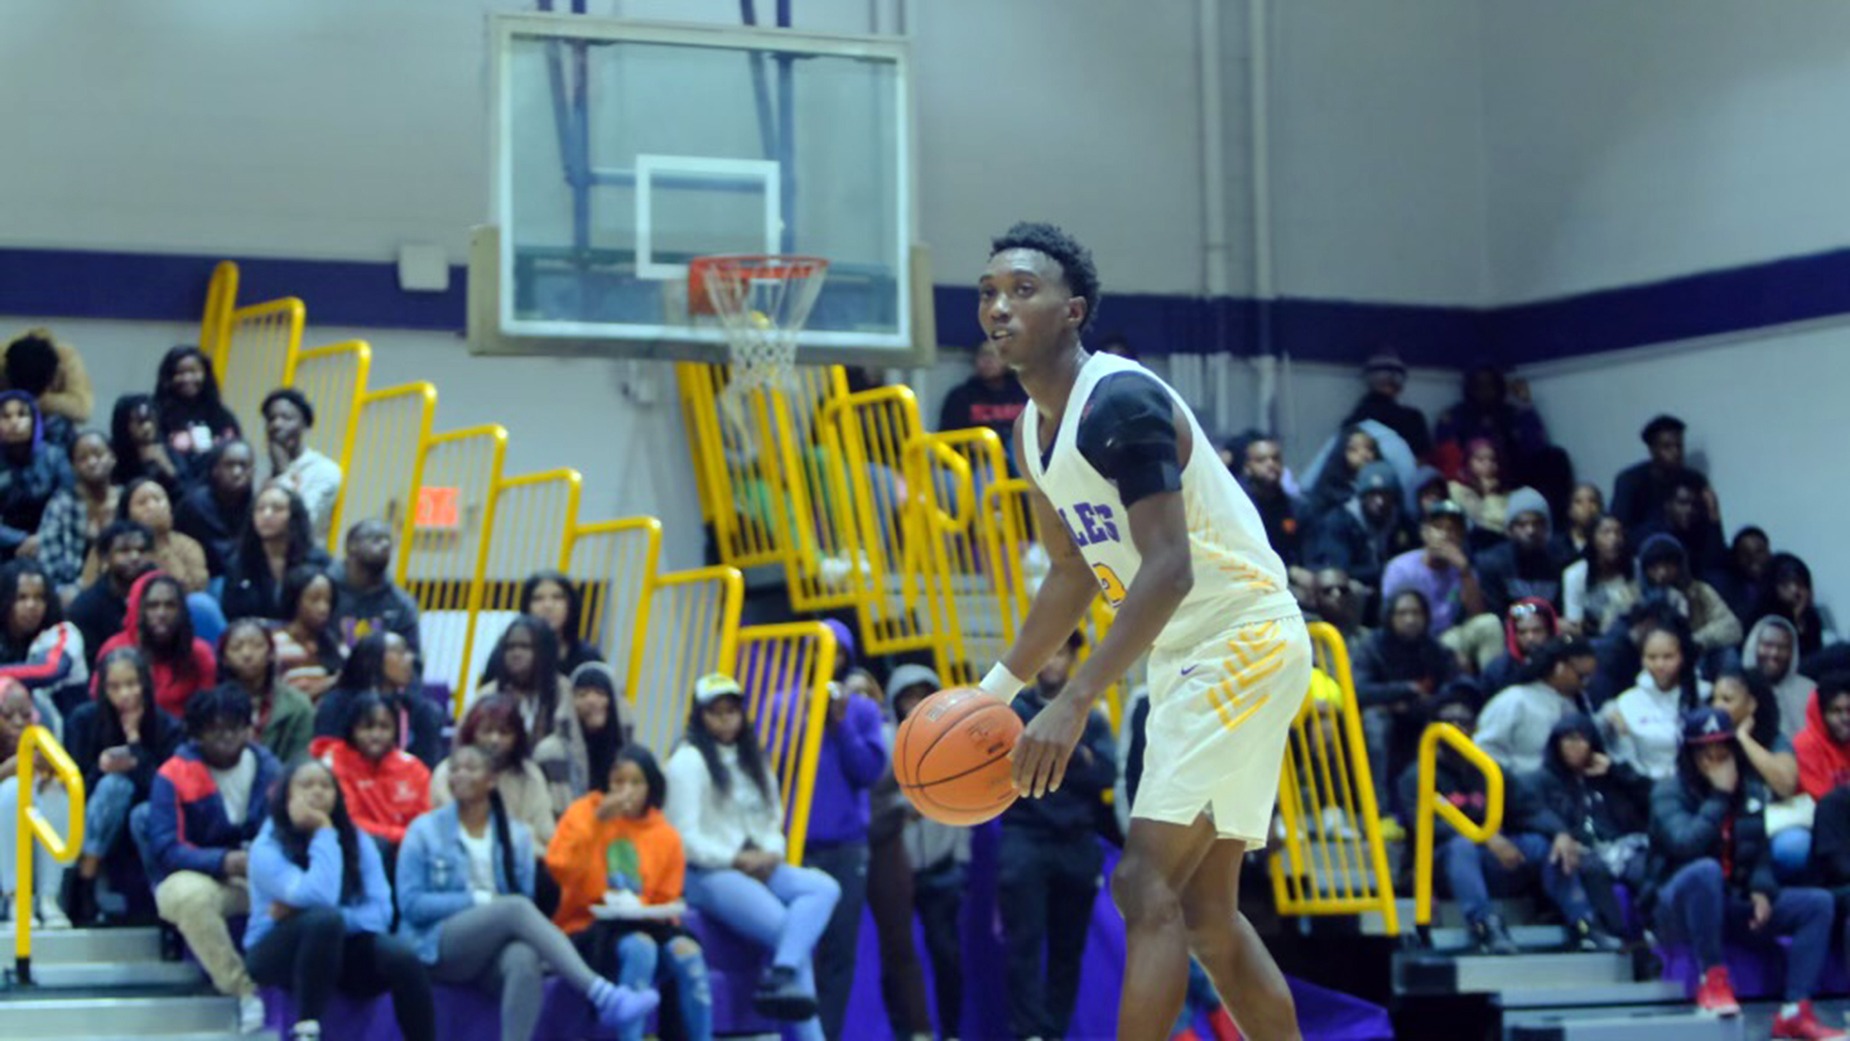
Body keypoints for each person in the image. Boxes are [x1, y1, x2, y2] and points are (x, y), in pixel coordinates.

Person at [975, 222, 1312, 1040]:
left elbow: (1170, 568)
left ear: (1073, 311)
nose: (998, 306)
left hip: (1242, 637)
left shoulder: (1122, 400)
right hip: (1189, 651)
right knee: (1204, 915)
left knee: (1141, 882)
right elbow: (1073, 570)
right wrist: (992, 693)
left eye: (1023, 290)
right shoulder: (1030, 429)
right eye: (988, 292)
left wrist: (1076, 697)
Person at [397, 744, 659, 1041]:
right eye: (454, 768)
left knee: (523, 957)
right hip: (433, 943)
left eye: (471, 768)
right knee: (515, 908)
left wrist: (494, 909)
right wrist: (476, 900)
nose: (460, 775)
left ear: (491, 779)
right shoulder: (425, 830)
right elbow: (411, 904)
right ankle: (604, 994)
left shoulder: (516, 835)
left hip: (488, 949)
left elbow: (520, 904)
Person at [1648, 707, 1845, 1037]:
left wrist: (1761, 888)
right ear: (1690, 754)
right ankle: (1711, 979)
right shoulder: (1668, 791)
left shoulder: (1750, 791)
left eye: (1722, 750)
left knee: (1817, 903)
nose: (1715, 758)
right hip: (1676, 905)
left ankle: (1795, 1010)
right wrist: (1718, 795)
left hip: (1728, 902)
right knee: (1706, 870)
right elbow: (1685, 845)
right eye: (1705, 751)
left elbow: (1760, 852)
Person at [663, 673, 840, 1035]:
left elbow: (773, 820)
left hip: (757, 864)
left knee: (824, 888)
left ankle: (782, 973)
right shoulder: (687, 761)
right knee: (786, 930)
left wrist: (770, 854)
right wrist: (734, 859)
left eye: (732, 710)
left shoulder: (752, 757)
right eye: (715, 711)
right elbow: (683, 837)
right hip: (707, 872)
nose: (725, 719)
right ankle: (803, 1016)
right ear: (700, 716)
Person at [243, 758, 435, 1041]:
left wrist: (317, 914)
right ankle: (306, 1031)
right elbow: (319, 895)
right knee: (323, 920)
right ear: (287, 795)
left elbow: (381, 912)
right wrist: (323, 830)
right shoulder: (267, 845)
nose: (317, 792)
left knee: (403, 957)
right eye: (306, 785)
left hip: (340, 945)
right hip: (275, 952)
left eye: (326, 786)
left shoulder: (357, 839)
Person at [998, 630, 1118, 1041]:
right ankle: (1027, 1033)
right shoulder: (1013, 711)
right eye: (1046, 651)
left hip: (1076, 843)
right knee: (1023, 945)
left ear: (1072, 658)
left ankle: (1054, 1033)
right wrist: (1073, 760)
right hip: (1024, 837)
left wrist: (1048, 758)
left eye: (1061, 653)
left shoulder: (1091, 716)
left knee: (1069, 951)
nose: (1052, 661)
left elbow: (1106, 773)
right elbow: (1005, 768)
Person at [141, 686, 282, 1034]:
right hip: (195, 874)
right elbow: (165, 848)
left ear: (249, 729)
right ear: (198, 732)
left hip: (257, 874)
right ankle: (244, 991)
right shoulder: (173, 773)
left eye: (234, 727)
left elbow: (287, 834)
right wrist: (223, 861)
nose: (226, 737)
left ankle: (293, 998)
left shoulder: (271, 769)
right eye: (214, 729)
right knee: (190, 898)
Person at [547, 744, 711, 1041]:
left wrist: (642, 906)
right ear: (606, 782)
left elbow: (667, 897)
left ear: (651, 787)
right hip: (588, 924)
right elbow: (560, 869)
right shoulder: (583, 813)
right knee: (640, 947)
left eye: (636, 783)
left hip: (646, 922)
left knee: (690, 955)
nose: (626, 792)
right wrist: (598, 822)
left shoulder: (666, 835)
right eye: (619, 782)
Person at [793, 622, 886, 1041]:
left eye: (836, 652)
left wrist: (841, 723)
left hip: (847, 848)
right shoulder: (784, 704)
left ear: (846, 658)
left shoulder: (863, 710)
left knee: (839, 954)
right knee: (795, 951)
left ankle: (826, 1035)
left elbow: (868, 771)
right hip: (794, 847)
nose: (827, 660)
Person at [64, 647, 184, 923]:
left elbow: (167, 788)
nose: (125, 694)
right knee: (114, 786)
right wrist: (101, 769)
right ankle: (85, 879)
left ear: (145, 683)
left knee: (135, 804)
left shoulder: (167, 726)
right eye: (115, 687)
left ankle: (160, 902)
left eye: (131, 684)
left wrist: (134, 745)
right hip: (93, 816)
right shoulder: (83, 720)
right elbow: (75, 786)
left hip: (144, 817)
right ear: (103, 689)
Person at [883, 664, 967, 1041]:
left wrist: (961, 858)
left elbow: (969, 798)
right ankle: (906, 1030)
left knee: (946, 952)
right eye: (907, 696)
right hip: (895, 864)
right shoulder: (884, 737)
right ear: (895, 701)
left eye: (922, 694)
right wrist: (905, 805)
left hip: (941, 865)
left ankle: (950, 1031)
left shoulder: (951, 737)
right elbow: (872, 792)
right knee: (896, 956)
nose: (914, 703)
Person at [1525, 714, 1652, 942]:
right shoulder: (1540, 780)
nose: (1575, 746)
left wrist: (1616, 772)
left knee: (1645, 868)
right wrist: (1559, 833)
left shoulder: (1609, 776)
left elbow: (1652, 797)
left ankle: (1662, 935)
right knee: (1591, 867)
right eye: (1568, 739)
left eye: (1582, 739)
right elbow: (1531, 812)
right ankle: (1624, 939)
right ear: (1557, 743)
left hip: (1621, 847)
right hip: (1579, 850)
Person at [1351, 590, 1455, 817]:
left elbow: (1450, 689)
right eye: (1403, 613)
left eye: (1416, 613)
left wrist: (1415, 704)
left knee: (1453, 719)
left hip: (1419, 713)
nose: (1410, 619)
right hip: (1379, 716)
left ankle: (1444, 807)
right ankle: (1377, 810)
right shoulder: (1372, 646)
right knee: (1375, 722)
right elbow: (1359, 691)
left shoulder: (1433, 648)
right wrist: (1406, 689)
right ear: (1390, 616)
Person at [429, 694, 556, 846]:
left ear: (517, 738)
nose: (494, 740)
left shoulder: (530, 775)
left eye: (504, 733)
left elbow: (546, 837)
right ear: (472, 734)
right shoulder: (449, 772)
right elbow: (444, 830)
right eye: (487, 731)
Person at [311, 692, 430, 853]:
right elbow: (350, 821)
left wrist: (411, 839)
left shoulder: (413, 767)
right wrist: (401, 836)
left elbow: (426, 818)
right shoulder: (334, 763)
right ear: (352, 729)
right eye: (367, 727)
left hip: (409, 847)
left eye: (384, 727)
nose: (376, 735)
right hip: (356, 848)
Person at [94, 571, 216, 718]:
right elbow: (101, 706)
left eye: (170, 605)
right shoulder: (115, 649)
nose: (161, 613)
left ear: (182, 611)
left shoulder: (200, 653)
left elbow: (208, 711)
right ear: (139, 610)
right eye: (152, 606)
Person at [313, 631, 444, 768]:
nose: (411, 658)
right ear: (373, 658)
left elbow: (427, 769)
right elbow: (325, 758)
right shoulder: (336, 705)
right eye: (401, 652)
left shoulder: (420, 711)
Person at [0, 678, 71, 927]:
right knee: (13, 789)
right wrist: (7, 770)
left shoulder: (44, 740)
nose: (18, 723)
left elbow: (72, 781)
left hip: (33, 820)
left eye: (25, 714)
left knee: (55, 793)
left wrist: (51, 773)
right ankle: (16, 900)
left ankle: (48, 899)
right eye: (7, 715)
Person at [1475, 636, 1597, 774]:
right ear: (1559, 668)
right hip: (1517, 787)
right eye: (1582, 676)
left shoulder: (1579, 704)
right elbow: (1484, 748)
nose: (1585, 684)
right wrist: (1513, 781)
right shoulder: (1514, 700)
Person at [1600, 625, 1702, 781]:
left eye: (1668, 657)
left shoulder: (1702, 695)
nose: (1659, 665)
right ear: (1642, 659)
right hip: (1642, 784)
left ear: (1681, 657)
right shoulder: (1626, 702)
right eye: (1652, 657)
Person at [221, 485, 331, 623]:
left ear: (294, 515)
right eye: (260, 509)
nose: (266, 515)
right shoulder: (239, 562)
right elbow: (231, 614)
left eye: (277, 509)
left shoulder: (317, 561)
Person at [535, 662, 630, 818]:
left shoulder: (629, 756)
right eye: (582, 694)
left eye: (600, 693)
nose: (591, 701)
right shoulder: (550, 752)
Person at [1305, 460, 1417, 591]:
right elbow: (1340, 570)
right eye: (1373, 494)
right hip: (1352, 590)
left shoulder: (1399, 520)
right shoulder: (1340, 520)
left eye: (1385, 495)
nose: (1379, 501)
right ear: (1362, 496)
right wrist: (1384, 570)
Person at [36, 430, 120, 602]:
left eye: (98, 454)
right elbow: (47, 563)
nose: (92, 462)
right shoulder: (61, 504)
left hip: (125, 581)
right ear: (73, 466)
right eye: (83, 458)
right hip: (74, 588)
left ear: (112, 458)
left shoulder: (127, 499)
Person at [217, 618, 316, 764]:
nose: (247, 654)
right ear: (224, 659)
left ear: (271, 653)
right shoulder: (213, 706)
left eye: (257, 646)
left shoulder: (298, 705)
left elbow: (299, 761)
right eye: (236, 647)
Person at [0, 558, 90, 716]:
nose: (31, 606)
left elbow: (48, 669)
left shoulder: (64, 632)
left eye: (39, 598)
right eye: (22, 598)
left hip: (66, 727)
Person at [1380, 499, 1484, 636]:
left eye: (1453, 529)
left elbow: (1478, 617)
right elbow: (1391, 617)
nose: (1445, 535)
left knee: (1489, 624)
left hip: (1449, 639)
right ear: (1425, 533)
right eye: (1438, 527)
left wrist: (1464, 571)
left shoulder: (1465, 570)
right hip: (1411, 638)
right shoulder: (1400, 568)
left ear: (1461, 537)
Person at [65, 519, 153, 670]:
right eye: (124, 551)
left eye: (141, 550)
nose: (135, 557)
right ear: (105, 557)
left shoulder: (161, 593)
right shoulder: (85, 608)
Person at [477, 615, 579, 745]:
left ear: (544, 651)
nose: (516, 653)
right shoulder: (489, 692)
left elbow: (572, 745)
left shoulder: (561, 688)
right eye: (510, 647)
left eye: (525, 647)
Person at [1610, 414, 1718, 534]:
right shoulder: (1630, 481)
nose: (1676, 452)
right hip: (1644, 548)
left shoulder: (1695, 481)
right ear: (1652, 450)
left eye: (1679, 446)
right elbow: (1619, 530)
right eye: (1667, 447)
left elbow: (1708, 527)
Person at [1637, 533, 1741, 655]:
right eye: (1654, 567)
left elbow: (1732, 629)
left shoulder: (1700, 591)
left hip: (1699, 656)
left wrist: (1692, 642)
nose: (1662, 573)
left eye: (1668, 565)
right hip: (1655, 662)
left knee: (1728, 655)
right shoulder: (1634, 599)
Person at [1473, 487, 1572, 616]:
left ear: (1547, 528)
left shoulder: (1561, 562)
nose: (1531, 531)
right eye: (1522, 524)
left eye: (1537, 524)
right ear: (1509, 530)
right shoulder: (1491, 563)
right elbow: (1495, 616)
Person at [0, 390, 73, 562]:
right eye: (5, 416)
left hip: (49, 541)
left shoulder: (54, 457)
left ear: (35, 420)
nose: (14, 422)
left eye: (22, 414)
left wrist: (42, 538)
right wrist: (20, 540)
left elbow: (67, 503)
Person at [153, 346, 241, 488]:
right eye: (180, 373)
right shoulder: (156, 415)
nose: (187, 378)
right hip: (170, 491)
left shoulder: (222, 417)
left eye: (194, 371)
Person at [260, 389, 341, 544]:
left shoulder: (324, 470)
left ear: (304, 424)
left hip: (302, 561)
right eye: (271, 419)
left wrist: (283, 472)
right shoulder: (261, 470)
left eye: (286, 418)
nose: (276, 424)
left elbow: (302, 523)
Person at [328, 518, 419, 653]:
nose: (385, 545)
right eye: (376, 539)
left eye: (388, 541)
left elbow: (412, 662)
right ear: (352, 545)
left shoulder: (401, 604)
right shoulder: (323, 590)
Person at [938, 338, 1029, 473]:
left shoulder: (1024, 392)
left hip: (1019, 458)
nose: (987, 360)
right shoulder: (961, 396)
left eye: (993, 354)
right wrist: (972, 445)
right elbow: (948, 438)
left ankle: (1033, 491)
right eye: (983, 355)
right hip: (980, 463)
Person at [174, 439, 255, 579]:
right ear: (215, 470)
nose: (237, 472)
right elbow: (225, 559)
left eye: (243, 466)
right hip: (203, 577)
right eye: (230, 465)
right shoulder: (198, 504)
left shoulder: (253, 502)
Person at [1232, 433, 1307, 574]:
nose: (1271, 464)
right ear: (1247, 467)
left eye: (1276, 459)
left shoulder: (1294, 507)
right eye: (1261, 460)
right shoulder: (1237, 506)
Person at [270, 565, 344, 702]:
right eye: (315, 600)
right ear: (295, 600)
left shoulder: (332, 644)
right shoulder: (276, 643)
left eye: (328, 601)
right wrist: (330, 683)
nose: (323, 608)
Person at [1342, 350, 1430, 460]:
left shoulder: (1356, 419)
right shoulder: (1412, 418)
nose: (1389, 379)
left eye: (1395, 375)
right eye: (1381, 375)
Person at [1560, 515, 1638, 639]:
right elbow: (1574, 622)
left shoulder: (1636, 569)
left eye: (1618, 533)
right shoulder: (1575, 574)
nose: (1614, 539)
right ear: (1593, 538)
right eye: (1606, 533)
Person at [1, 329, 94, 431]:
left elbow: (82, 409)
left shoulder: (66, 357)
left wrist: (26, 400)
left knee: (91, 443)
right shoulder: (3, 363)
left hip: (56, 430)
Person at [1754, 553, 1838, 661]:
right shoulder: (1763, 615)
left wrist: (1800, 613)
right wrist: (1795, 617)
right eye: (1786, 584)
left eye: (1799, 583)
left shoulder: (1811, 617)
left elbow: (1814, 649)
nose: (1794, 590)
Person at [1746, 616, 1816, 742]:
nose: (1774, 653)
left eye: (1783, 647)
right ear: (1754, 646)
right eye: (1767, 645)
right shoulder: (1738, 687)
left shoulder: (1810, 690)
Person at [520, 570, 602, 676]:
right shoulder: (509, 654)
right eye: (538, 598)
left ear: (570, 605)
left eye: (557, 597)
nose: (548, 606)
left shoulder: (589, 659)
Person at [1478, 598, 1559, 697]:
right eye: (1522, 632)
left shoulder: (1564, 666)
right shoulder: (1498, 671)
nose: (1530, 638)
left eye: (1537, 631)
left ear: (1549, 632)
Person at [1794, 674, 1850, 801]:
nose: (1845, 718)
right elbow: (1821, 800)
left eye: (1849, 710)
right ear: (1820, 715)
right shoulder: (1805, 745)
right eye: (1836, 711)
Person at [109, 393, 180, 491]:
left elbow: (186, 490)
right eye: (140, 421)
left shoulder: (166, 449)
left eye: (150, 419)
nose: (147, 427)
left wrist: (166, 466)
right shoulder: (113, 455)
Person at [1448, 439, 1510, 541]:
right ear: (1468, 462)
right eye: (1480, 460)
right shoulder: (1456, 491)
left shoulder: (1503, 495)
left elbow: (1499, 529)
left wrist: (1490, 495)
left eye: (1493, 460)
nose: (1488, 465)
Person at [1563, 483, 1604, 556]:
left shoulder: (1606, 546)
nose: (1586, 507)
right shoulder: (1557, 547)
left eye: (1592, 501)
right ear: (1569, 510)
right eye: (1578, 502)